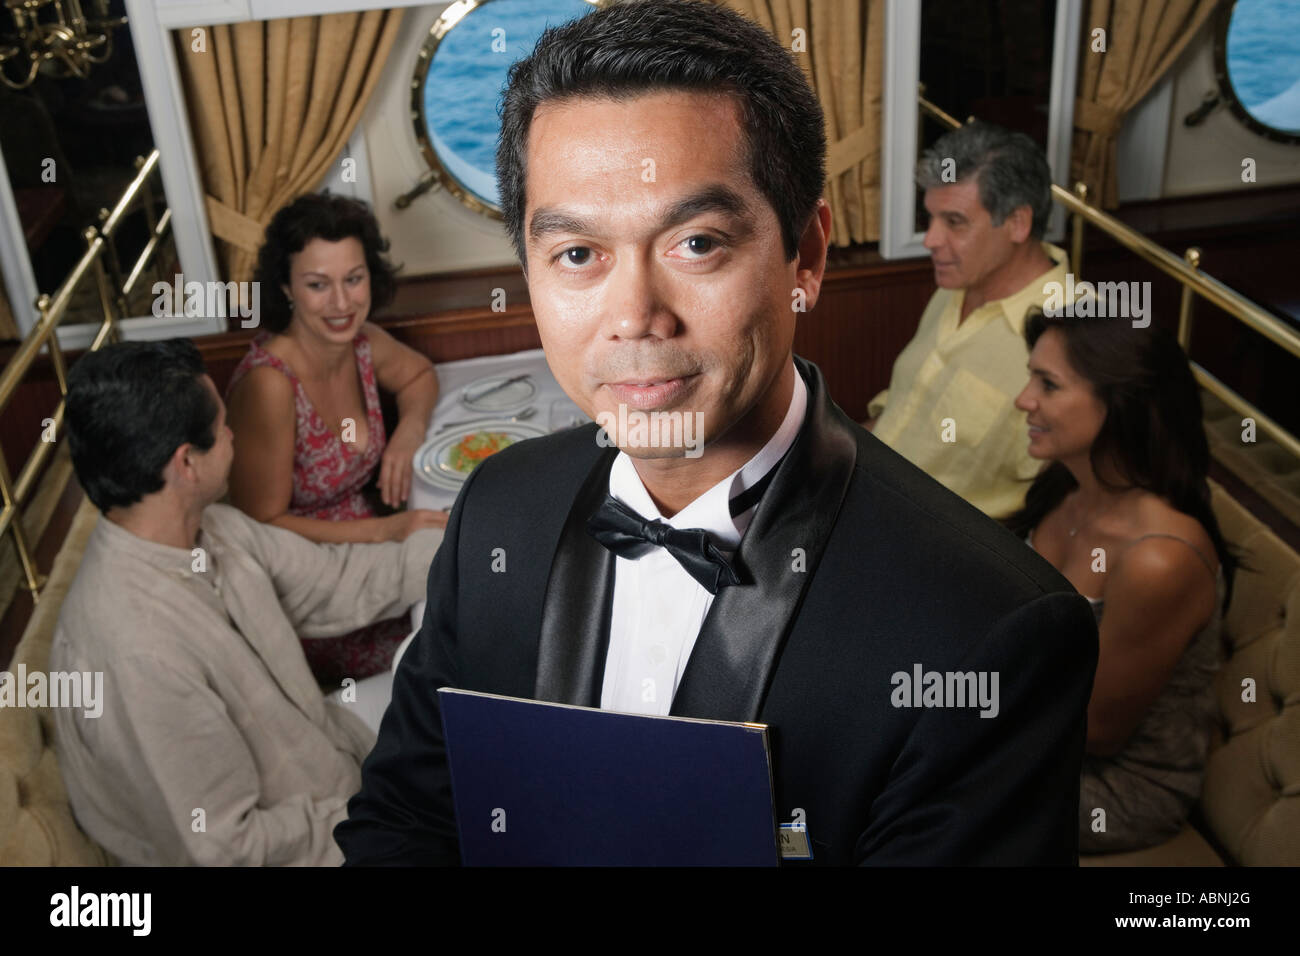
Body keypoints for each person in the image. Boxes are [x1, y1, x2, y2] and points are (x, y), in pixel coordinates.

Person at [334, 0, 1097, 867]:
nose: (634, 319)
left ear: (805, 256)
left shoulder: (989, 629)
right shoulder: (497, 512)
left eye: (696, 243)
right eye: (578, 255)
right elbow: (403, 823)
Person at [50, 339, 441, 865]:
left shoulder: (211, 528)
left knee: (464, 702)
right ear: (186, 463)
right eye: (221, 425)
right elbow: (229, 847)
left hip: (331, 756)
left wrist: (476, 544)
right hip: (325, 839)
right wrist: (394, 817)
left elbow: (337, 581)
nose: (233, 433)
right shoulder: (138, 651)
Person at [1007, 309, 1234, 853]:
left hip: (1113, 785)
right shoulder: (1067, 481)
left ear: (1121, 405)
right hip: (1031, 733)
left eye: (1049, 384)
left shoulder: (1159, 559)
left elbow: (1099, 731)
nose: (1023, 399)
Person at [226, 193, 447, 683]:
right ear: (285, 288)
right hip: (313, 592)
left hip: (377, 561)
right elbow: (261, 522)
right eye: (317, 285)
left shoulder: (360, 341)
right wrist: (384, 531)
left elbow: (419, 376)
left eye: (353, 279)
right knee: (446, 642)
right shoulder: (270, 385)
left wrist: (406, 436)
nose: (342, 302)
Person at [865, 120, 1070, 519]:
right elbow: (898, 413)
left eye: (954, 222)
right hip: (868, 498)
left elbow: (1067, 499)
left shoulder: (1075, 334)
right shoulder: (955, 285)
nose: (930, 240)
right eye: (930, 219)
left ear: (1018, 223)